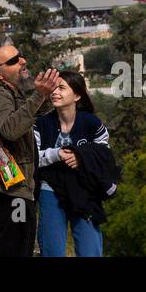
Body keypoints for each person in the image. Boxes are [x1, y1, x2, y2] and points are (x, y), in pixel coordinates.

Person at [0, 38, 59, 257]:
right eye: (14, 60)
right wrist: (39, 95)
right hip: (10, 194)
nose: (23, 61)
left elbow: (32, 116)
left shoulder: (14, 93)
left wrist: (45, 94)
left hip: (9, 192)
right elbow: (10, 129)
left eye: (20, 55)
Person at [34, 70, 116, 257]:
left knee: (90, 249)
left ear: (77, 95)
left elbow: (104, 154)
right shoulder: (41, 124)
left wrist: (81, 156)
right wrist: (57, 154)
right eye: (53, 88)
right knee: (51, 249)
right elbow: (33, 157)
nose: (55, 92)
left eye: (62, 88)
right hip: (50, 189)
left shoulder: (91, 123)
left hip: (84, 190)